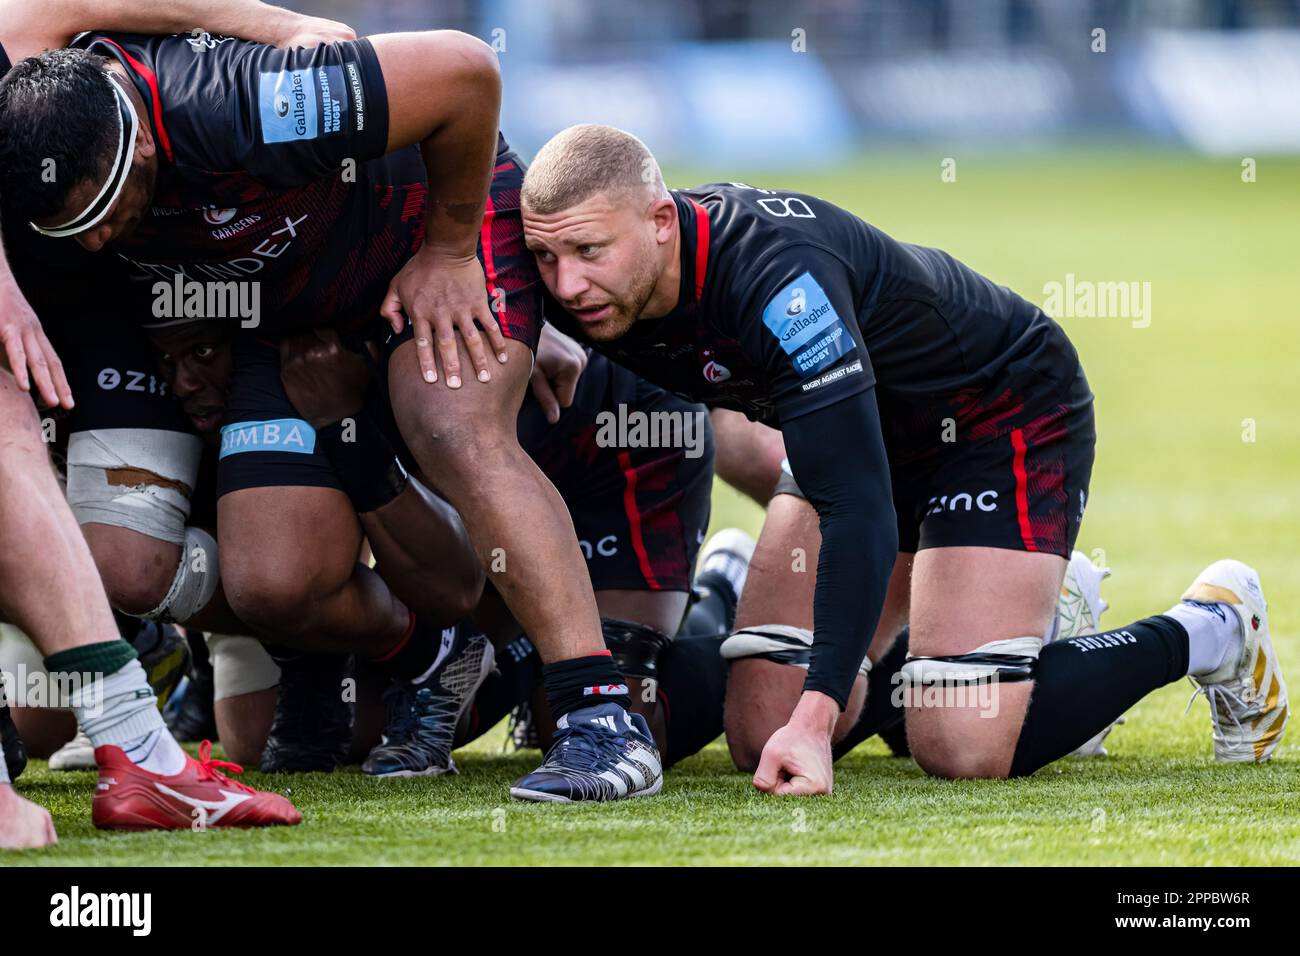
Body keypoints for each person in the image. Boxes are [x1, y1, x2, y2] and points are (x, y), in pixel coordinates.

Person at [518, 123, 1287, 795]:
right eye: (546, 259)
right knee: (759, 732)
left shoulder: (780, 283)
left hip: (999, 410)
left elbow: (857, 506)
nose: (567, 284)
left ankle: (1214, 626)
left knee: (960, 741)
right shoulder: (590, 283)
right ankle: (1023, 630)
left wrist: (818, 723)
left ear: (660, 220)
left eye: (588, 251)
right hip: (857, 426)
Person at [0, 30, 661, 800]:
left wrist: (449, 252)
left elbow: (465, 71)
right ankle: (412, 653)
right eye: (71, 229)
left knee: (449, 423)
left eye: (108, 212)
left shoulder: (245, 103)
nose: (101, 240)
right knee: (272, 584)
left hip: (417, 242)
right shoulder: (37, 135)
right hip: (283, 312)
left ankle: (603, 722)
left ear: (144, 143)